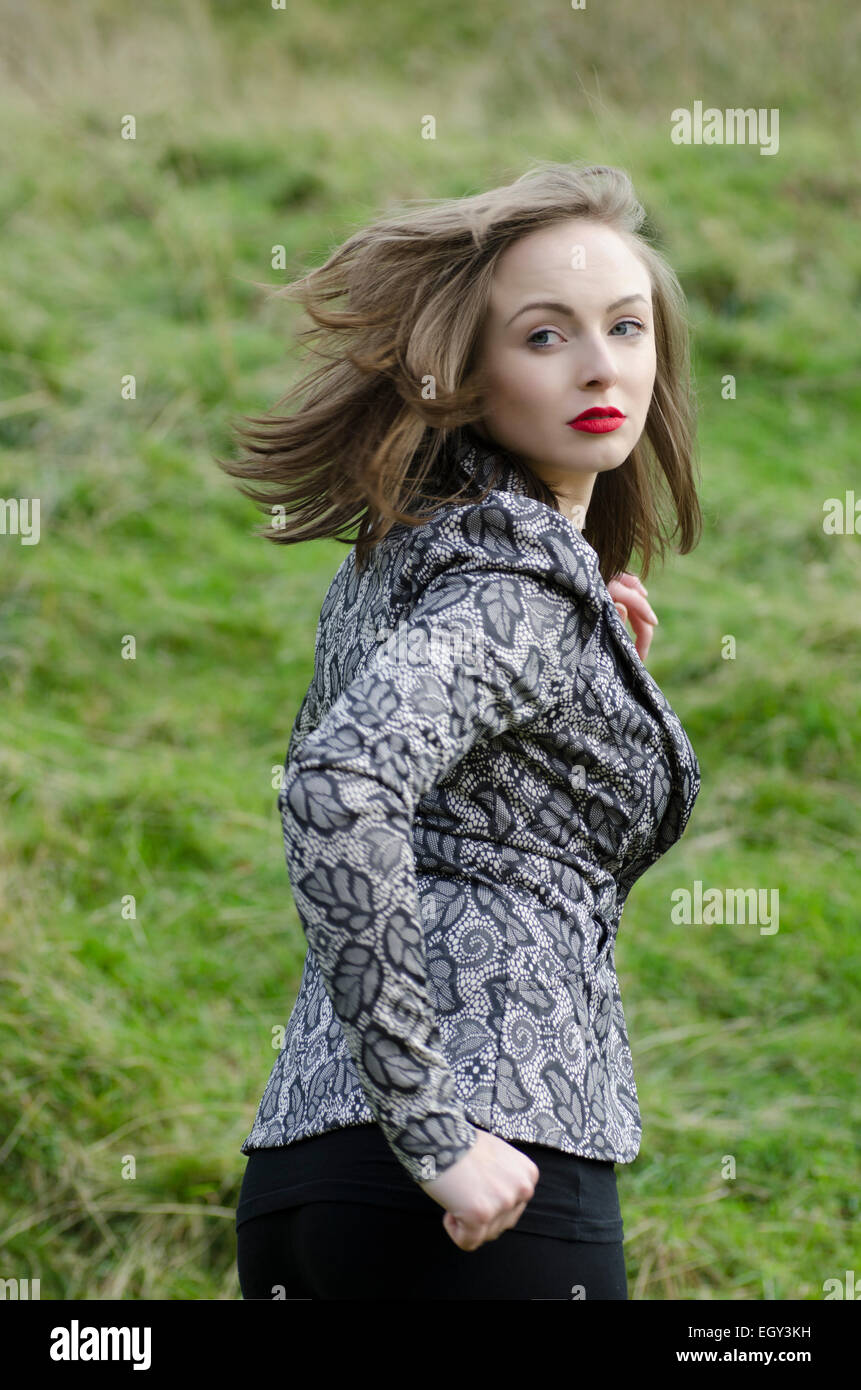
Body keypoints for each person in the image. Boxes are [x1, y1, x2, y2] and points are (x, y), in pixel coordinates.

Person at [218, 160, 702, 1300]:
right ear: (465, 373)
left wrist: (594, 678)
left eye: (625, 327)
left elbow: (456, 811)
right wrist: (436, 1134)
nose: (601, 366)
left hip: (309, 1176)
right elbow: (339, 785)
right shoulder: (516, 584)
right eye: (544, 336)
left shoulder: (410, 554)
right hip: (484, 1185)